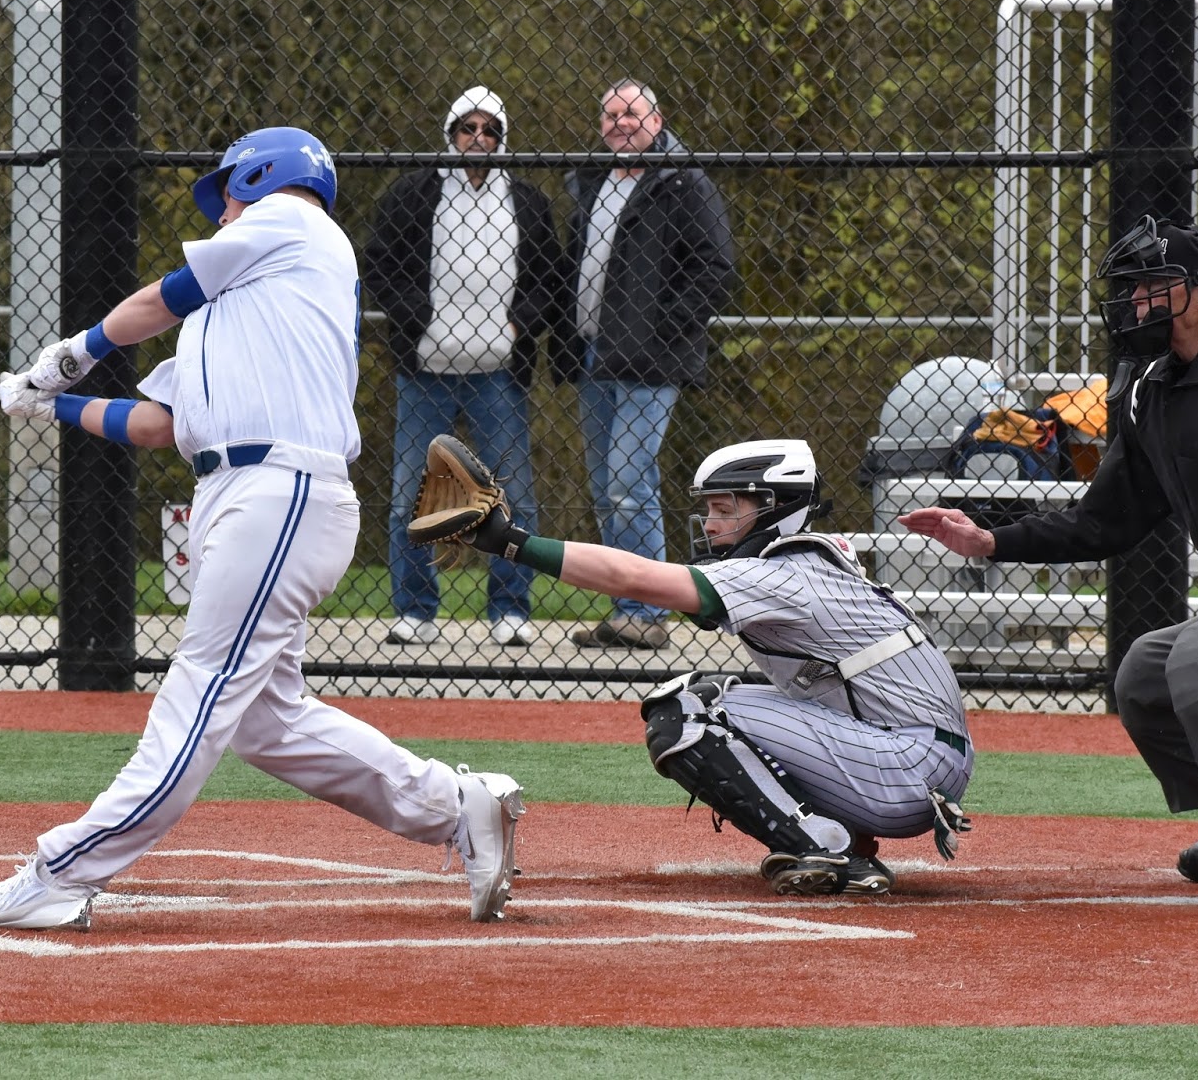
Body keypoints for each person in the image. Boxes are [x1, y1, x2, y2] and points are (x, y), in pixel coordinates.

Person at [0, 127, 524, 930]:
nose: (224, 213)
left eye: (230, 195)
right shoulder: (248, 304)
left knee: (202, 689)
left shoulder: (294, 222)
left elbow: (158, 298)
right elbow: (155, 423)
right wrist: (52, 404)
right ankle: (456, 806)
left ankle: (62, 870)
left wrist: (71, 352)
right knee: (265, 719)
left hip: (276, 489)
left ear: (266, 174)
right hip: (249, 494)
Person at [901, 215, 1198, 914]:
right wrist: (992, 541)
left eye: (1152, 288)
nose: (1134, 303)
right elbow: (1106, 519)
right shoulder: (1155, 390)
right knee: (1145, 673)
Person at [447, 437, 973, 896]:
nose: (713, 523)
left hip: (905, 766)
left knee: (687, 708)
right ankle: (845, 842)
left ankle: (825, 845)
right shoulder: (805, 560)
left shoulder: (785, 573)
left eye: (726, 509)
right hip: (915, 761)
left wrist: (508, 542)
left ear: (773, 506)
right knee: (722, 698)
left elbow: (634, 578)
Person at [363, 86, 563, 648]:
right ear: (450, 132)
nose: (479, 139)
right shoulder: (412, 194)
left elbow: (550, 276)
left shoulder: (526, 202)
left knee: (511, 492)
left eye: (490, 129)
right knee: (412, 489)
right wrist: (419, 319)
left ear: (503, 137)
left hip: (499, 370)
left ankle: (509, 607)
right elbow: (379, 263)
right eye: (467, 128)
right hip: (424, 368)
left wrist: (519, 324)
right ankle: (416, 610)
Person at [553, 78, 737, 651]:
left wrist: (660, 328)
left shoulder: (684, 183)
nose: (620, 124)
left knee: (630, 482)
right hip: (595, 354)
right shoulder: (595, 183)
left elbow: (716, 268)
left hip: (650, 359)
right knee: (608, 487)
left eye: (631, 114)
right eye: (610, 116)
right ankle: (626, 607)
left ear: (656, 122)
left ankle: (649, 610)